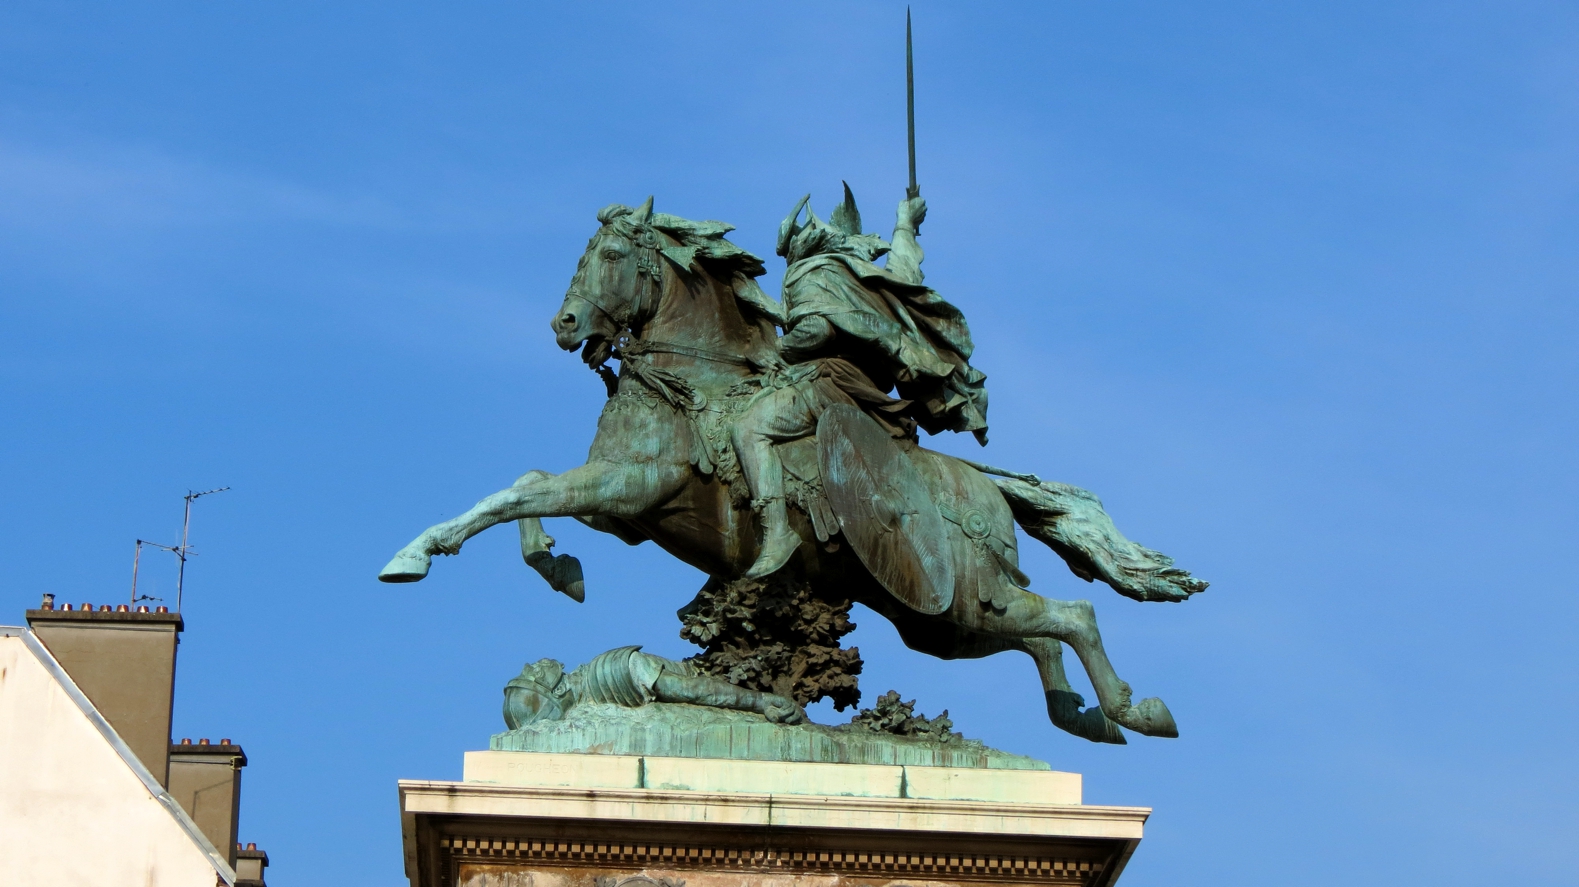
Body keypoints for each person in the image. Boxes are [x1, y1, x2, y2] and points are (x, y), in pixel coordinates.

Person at [731, 185, 989, 579]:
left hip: (830, 382)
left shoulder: (811, 271)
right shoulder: (864, 275)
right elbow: (906, 272)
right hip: (865, 388)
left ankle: (778, 533)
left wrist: (777, 347)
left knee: (749, 429)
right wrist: (905, 225)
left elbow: (817, 329)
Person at [502, 646, 805, 728]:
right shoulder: (615, 669)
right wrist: (759, 702)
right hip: (726, 679)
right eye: (535, 673)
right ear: (557, 690)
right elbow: (692, 690)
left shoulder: (605, 680)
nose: (532, 665)